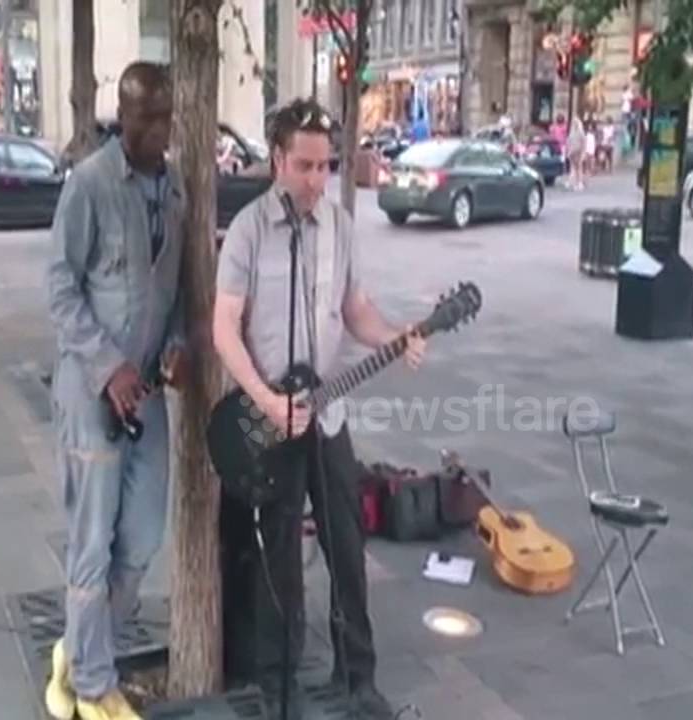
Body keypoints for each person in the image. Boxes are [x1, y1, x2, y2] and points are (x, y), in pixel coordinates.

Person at [213, 97, 428, 719]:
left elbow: (353, 308)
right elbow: (225, 328)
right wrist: (267, 403)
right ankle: (281, 688)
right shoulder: (250, 230)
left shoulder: (338, 225)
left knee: (346, 545)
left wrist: (395, 336)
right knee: (278, 558)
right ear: (276, 159)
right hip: (268, 416)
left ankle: (358, 677)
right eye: (303, 166)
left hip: (326, 412)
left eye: (325, 166)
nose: (315, 180)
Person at [43, 61, 188, 720]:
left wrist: (179, 345)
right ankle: (92, 684)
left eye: (166, 116)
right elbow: (61, 288)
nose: (158, 130)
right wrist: (109, 368)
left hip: (150, 400)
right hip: (93, 396)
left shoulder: (177, 186)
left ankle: (80, 647)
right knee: (92, 542)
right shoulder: (90, 184)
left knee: (142, 539)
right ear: (121, 115)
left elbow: (177, 288)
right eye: (146, 117)